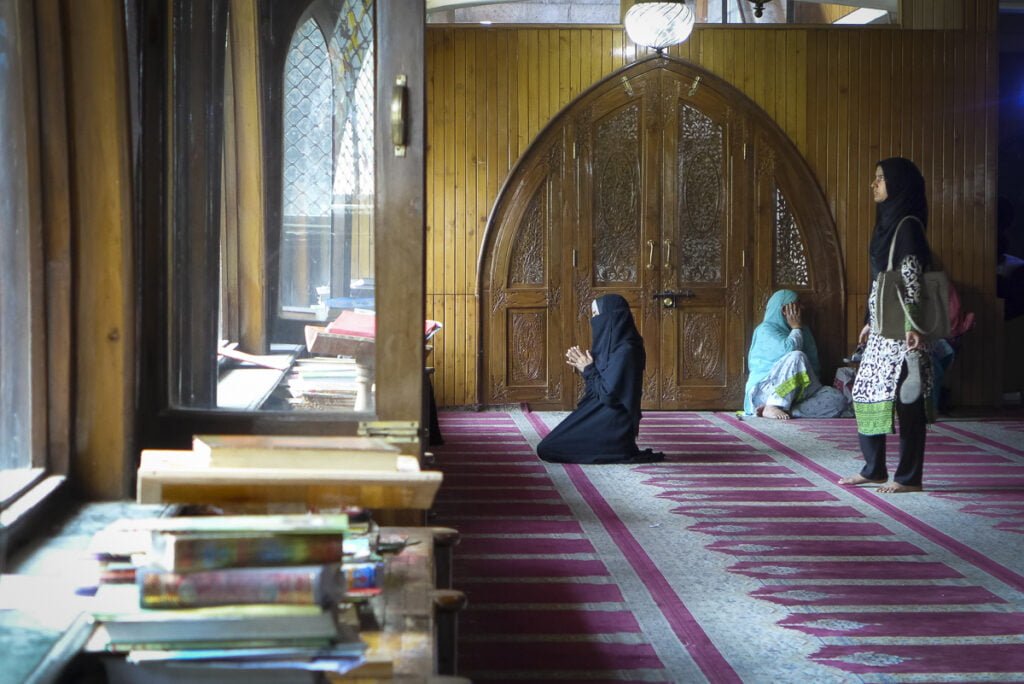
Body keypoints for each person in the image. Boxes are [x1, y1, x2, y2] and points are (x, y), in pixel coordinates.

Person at [840, 157, 934, 493]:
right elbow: (881, 279)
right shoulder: (887, 223)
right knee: (867, 394)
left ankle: (908, 478)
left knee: (907, 403)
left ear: (898, 185)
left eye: (880, 179)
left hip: (905, 330)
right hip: (883, 328)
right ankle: (874, 469)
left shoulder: (907, 225)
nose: (874, 184)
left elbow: (911, 278)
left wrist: (914, 325)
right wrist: (869, 321)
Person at [536, 294, 663, 464]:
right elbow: (596, 389)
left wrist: (588, 369)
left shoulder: (627, 351)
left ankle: (617, 449)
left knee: (548, 449)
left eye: (597, 314)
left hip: (613, 422)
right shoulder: (608, 347)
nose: (594, 320)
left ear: (611, 316)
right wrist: (585, 368)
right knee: (547, 446)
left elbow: (609, 395)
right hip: (599, 412)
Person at [743, 289, 850, 420]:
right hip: (767, 390)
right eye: (797, 304)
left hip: (798, 392)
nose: (802, 308)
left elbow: (813, 367)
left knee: (838, 400)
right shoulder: (765, 329)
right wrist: (795, 328)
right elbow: (790, 350)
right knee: (797, 356)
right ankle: (774, 405)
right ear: (784, 310)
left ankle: (788, 410)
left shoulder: (803, 330)